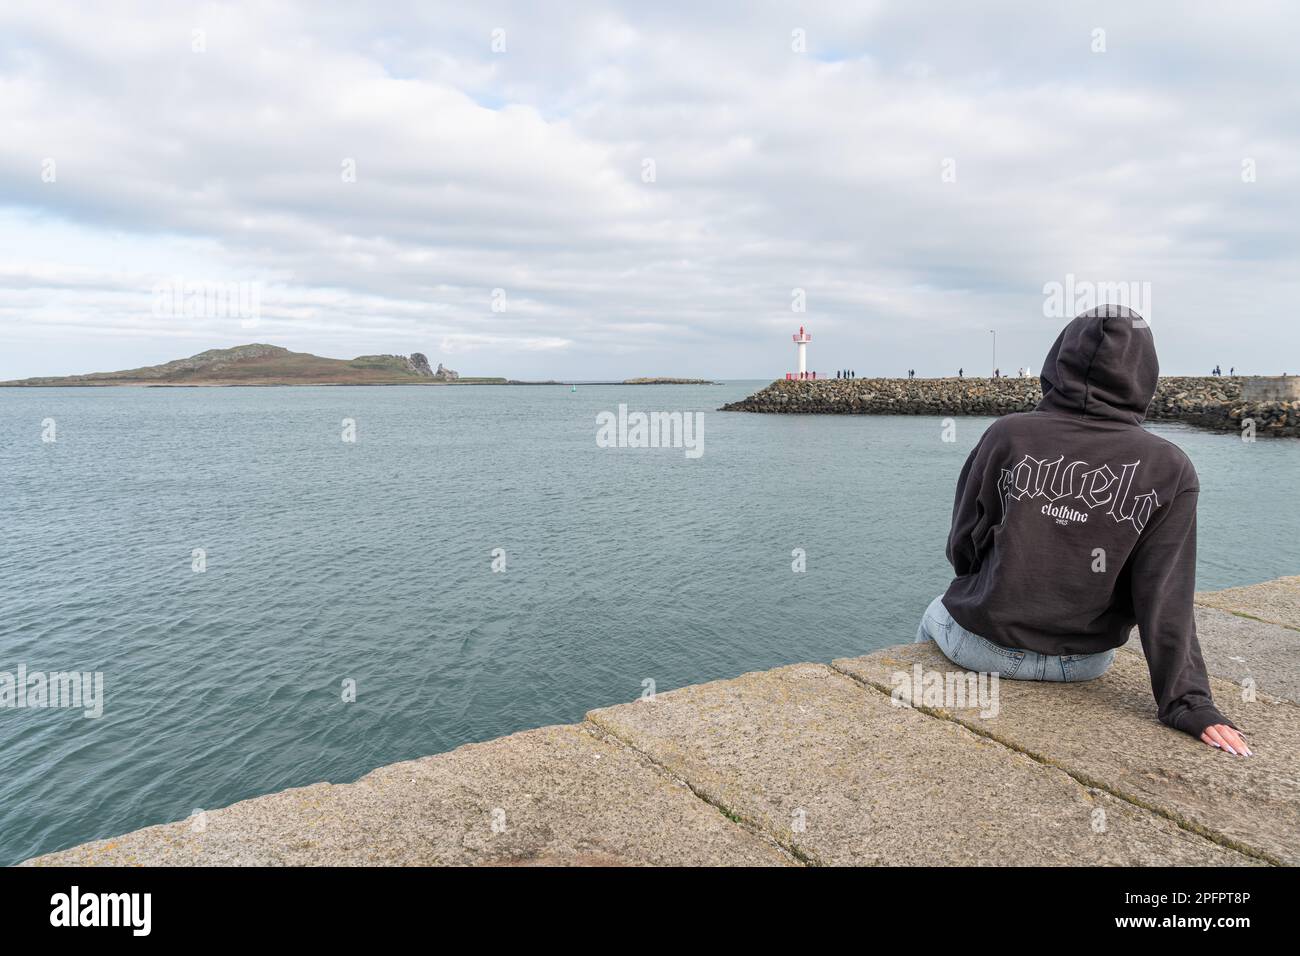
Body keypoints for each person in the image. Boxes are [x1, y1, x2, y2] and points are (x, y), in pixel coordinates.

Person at [916, 305, 1250, 756]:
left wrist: (983, 582)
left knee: (934, 610)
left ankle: (920, 734)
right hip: (1083, 662)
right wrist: (1188, 702)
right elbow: (1163, 593)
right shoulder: (1169, 466)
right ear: (1144, 374)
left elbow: (963, 541)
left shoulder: (1009, 436)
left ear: (1057, 362)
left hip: (984, 648)